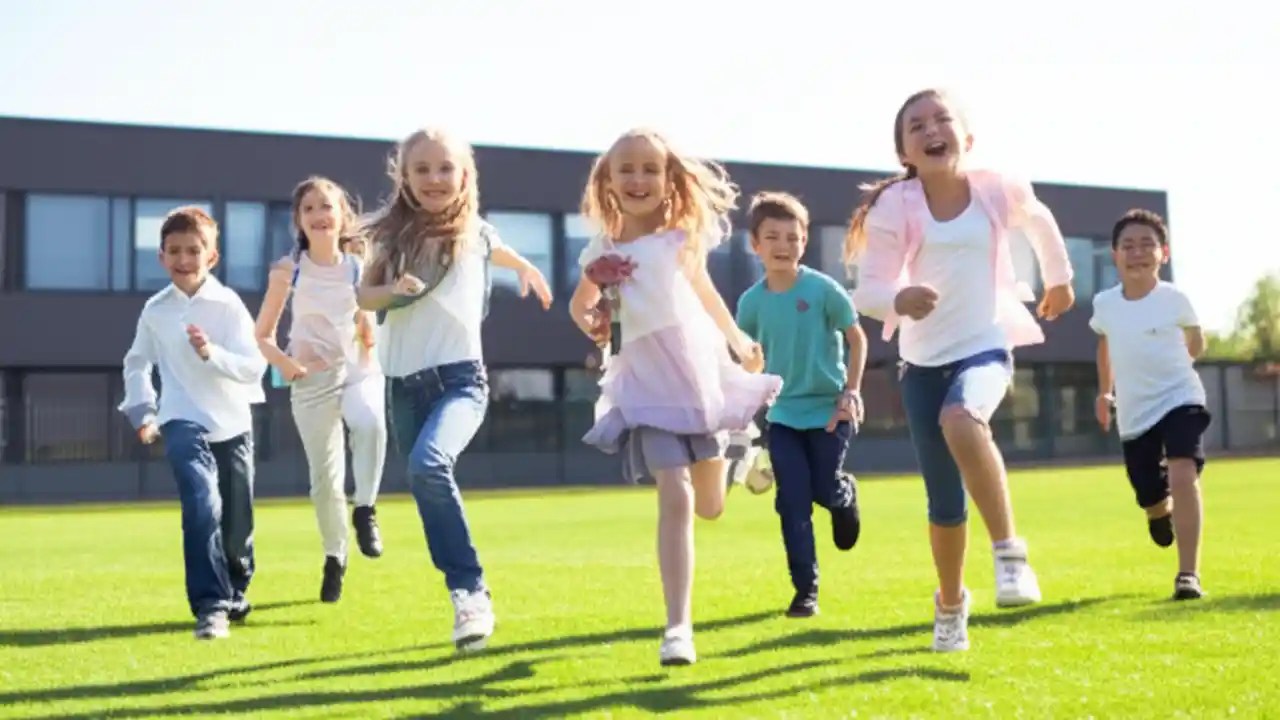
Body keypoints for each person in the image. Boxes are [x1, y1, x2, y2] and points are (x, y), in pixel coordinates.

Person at [846, 88, 1075, 652]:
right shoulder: (895, 207)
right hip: (921, 364)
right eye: (916, 126)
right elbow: (868, 290)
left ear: (966, 138)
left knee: (963, 418)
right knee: (944, 504)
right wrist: (898, 299)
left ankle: (1010, 555)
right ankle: (950, 605)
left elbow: (1039, 220)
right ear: (904, 152)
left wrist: (1060, 278)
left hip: (984, 345)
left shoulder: (995, 188)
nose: (931, 130)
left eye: (942, 119)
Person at [569, 128, 783, 666]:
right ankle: (677, 627)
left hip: (695, 375)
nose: (638, 179)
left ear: (668, 181)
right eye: (626, 169)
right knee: (676, 495)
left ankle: (736, 452)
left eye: (650, 169)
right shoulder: (601, 251)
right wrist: (595, 323)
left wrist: (739, 341)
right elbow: (581, 307)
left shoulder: (678, 240)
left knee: (710, 506)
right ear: (608, 181)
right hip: (644, 385)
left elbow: (705, 294)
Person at [357, 127, 552, 651]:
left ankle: (470, 591)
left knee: (428, 464)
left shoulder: (475, 230)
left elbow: (498, 249)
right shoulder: (391, 237)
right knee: (425, 478)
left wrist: (526, 267)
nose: (434, 179)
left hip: (461, 380)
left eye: (446, 168)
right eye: (421, 169)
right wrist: (394, 290)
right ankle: (461, 591)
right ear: (404, 177)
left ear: (465, 175)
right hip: (403, 387)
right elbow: (364, 296)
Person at [118, 206, 268, 639]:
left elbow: (254, 367)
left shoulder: (229, 305)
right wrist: (144, 411)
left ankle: (234, 588)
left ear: (212, 257)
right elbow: (137, 362)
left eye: (193, 250)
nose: (183, 259)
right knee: (201, 504)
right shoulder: (155, 311)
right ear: (161, 257)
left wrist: (211, 354)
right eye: (174, 251)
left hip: (232, 424)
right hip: (180, 418)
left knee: (236, 527)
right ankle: (210, 605)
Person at [255, 176, 389, 604]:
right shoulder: (288, 270)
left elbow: (369, 310)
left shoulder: (358, 265)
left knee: (370, 424)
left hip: (357, 369)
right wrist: (289, 367)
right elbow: (262, 336)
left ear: (342, 215)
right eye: (309, 208)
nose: (318, 215)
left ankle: (365, 508)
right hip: (311, 380)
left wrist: (369, 332)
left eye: (326, 206)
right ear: (299, 220)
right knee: (325, 480)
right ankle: (335, 556)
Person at [735, 191, 867, 619]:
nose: (783, 245)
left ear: (804, 242)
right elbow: (744, 357)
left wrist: (851, 392)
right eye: (772, 237)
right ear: (755, 244)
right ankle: (805, 590)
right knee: (792, 500)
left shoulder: (823, 289)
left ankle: (842, 494)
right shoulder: (750, 303)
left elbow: (857, 338)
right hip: (782, 417)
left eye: (792, 238)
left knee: (822, 489)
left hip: (829, 410)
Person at [1091, 208, 1209, 601]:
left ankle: (1188, 574)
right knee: (1149, 492)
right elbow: (1105, 345)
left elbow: (1196, 339)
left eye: (1147, 244)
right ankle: (1158, 511)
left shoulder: (1175, 298)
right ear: (1115, 255)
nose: (1138, 252)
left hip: (1180, 396)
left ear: (1164, 253)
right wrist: (1105, 392)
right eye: (1128, 245)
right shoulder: (1105, 304)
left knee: (1182, 472)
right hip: (1135, 409)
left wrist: (1182, 363)